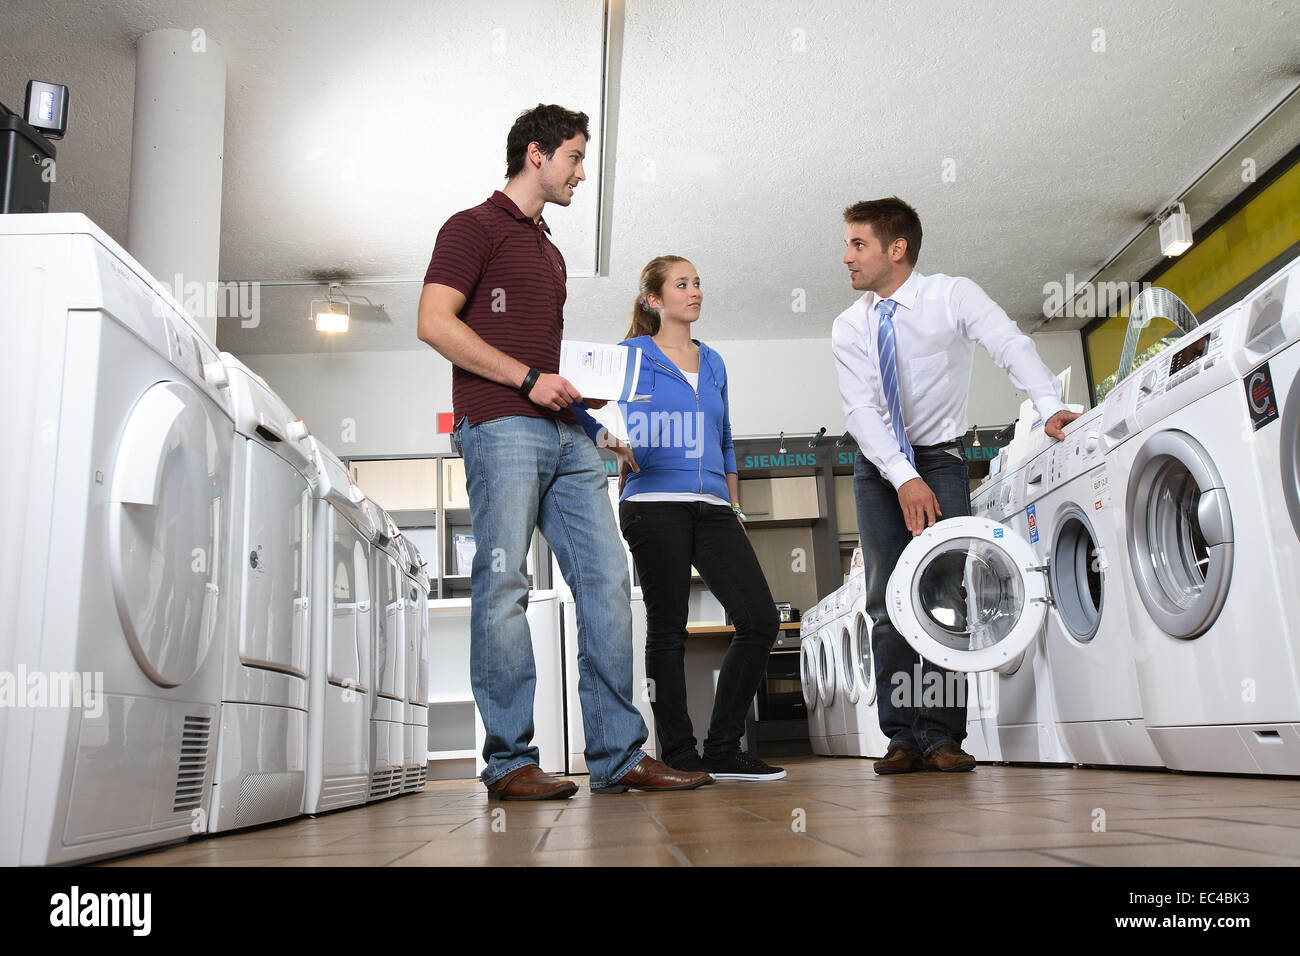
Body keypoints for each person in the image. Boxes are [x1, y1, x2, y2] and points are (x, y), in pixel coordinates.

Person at [416, 104, 711, 799]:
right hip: (498, 425)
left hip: (564, 435)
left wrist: (595, 425)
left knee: (608, 581)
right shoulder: (472, 227)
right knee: (505, 585)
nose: (583, 172)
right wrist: (525, 380)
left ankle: (617, 755)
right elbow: (432, 321)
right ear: (536, 155)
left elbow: (545, 362)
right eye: (576, 157)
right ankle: (510, 762)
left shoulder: (550, 252)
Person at [831, 196, 1080, 775]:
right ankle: (901, 737)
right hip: (878, 465)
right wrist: (902, 476)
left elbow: (1008, 343)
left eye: (857, 243)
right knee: (887, 602)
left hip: (941, 459)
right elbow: (863, 413)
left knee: (942, 597)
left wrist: (1048, 404)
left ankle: (942, 736)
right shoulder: (850, 326)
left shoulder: (952, 295)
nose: (846, 256)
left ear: (897, 248)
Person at [575, 256, 784, 781]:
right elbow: (573, 400)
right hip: (652, 505)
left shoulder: (713, 361)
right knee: (668, 630)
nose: (695, 292)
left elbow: (726, 439)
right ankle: (680, 753)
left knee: (759, 618)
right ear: (654, 299)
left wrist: (735, 508)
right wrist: (607, 440)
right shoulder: (631, 355)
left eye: (697, 284)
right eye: (682, 284)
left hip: (714, 508)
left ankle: (723, 747)